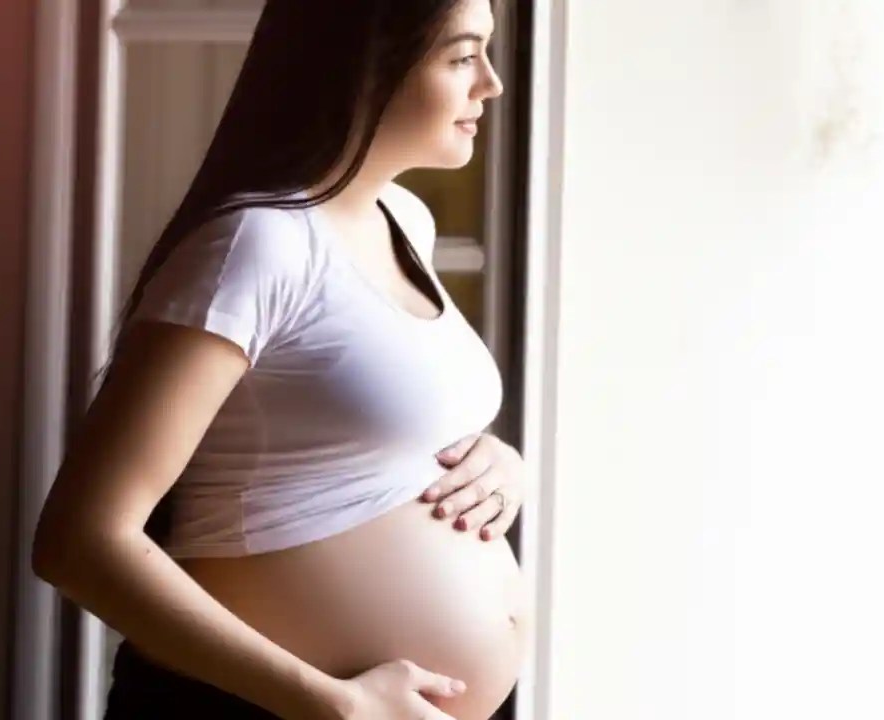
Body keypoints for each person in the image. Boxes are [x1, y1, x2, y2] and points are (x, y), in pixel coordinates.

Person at [32, 0, 530, 717]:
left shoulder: (402, 219)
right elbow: (79, 541)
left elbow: (364, 425)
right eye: (461, 56)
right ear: (365, 70)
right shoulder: (258, 244)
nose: (491, 83)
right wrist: (331, 704)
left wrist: (496, 465)